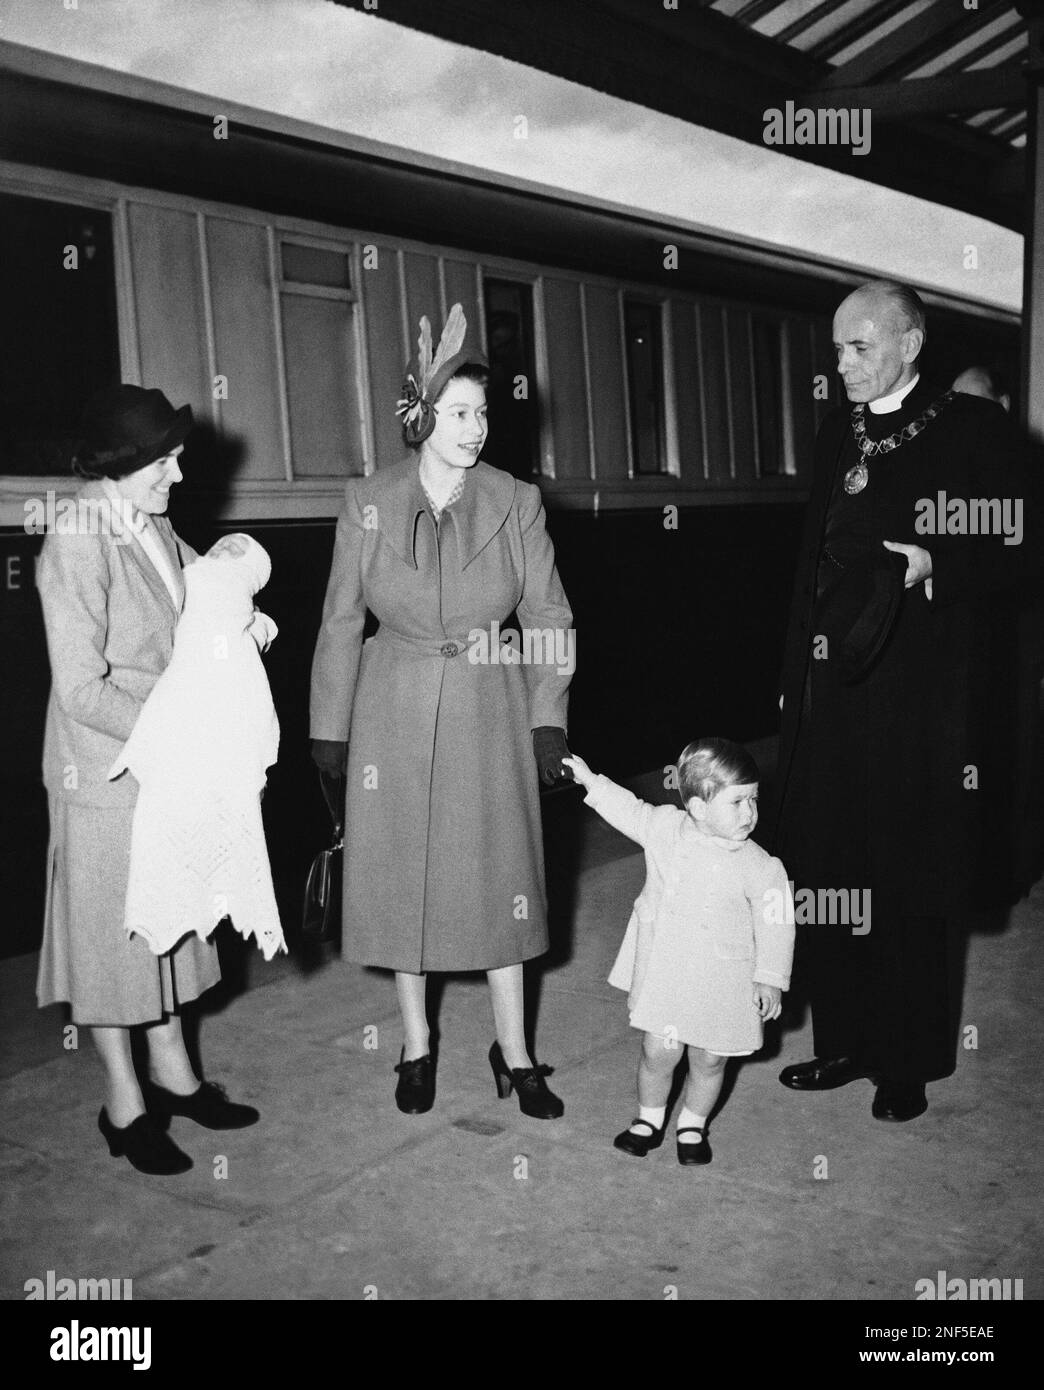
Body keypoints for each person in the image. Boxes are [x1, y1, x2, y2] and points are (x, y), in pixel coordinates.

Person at [769, 280, 1033, 1122]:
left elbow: (1020, 551)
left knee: (910, 872)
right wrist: (791, 674)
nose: (841, 365)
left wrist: (935, 568)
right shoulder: (833, 432)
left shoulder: (972, 433)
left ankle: (907, 1060)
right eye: (837, 348)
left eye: (860, 348)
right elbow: (810, 560)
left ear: (910, 345)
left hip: (922, 700)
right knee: (834, 866)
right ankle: (844, 1041)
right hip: (834, 689)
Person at [310, 304, 574, 1118]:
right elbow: (340, 621)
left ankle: (516, 1052)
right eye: (459, 413)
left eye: (483, 413)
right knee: (402, 883)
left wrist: (547, 718)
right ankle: (416, 1045)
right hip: (390, 707)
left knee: (501, 881)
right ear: (421, 418)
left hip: (490, 710)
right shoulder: (368, 500)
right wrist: (330, 729)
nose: (476, 428)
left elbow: (549, 619)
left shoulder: (517, 501)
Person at [36, 385, 259, 1176]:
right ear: (123, 466)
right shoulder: (76, 540)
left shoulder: (151, 520)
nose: (178, 472)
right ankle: (124, 1106)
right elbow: (81, 690)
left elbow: (206, 589)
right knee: (116, 943)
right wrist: (180, 728)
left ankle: (175, 1076)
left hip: (163, 764)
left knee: (171, 924)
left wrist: (243, 609)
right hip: (106, 770)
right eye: (164, 460)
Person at [564, 740, 794, 1164]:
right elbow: (628, 808)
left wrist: (770, 977)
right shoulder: (665, 829)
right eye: (738, 801)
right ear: (699, 807)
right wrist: (588, 779)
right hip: (667, 974)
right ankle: (648, 1119)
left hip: (723, 981)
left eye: (754, 800)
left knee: (709, 1059)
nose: (750, 813)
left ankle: (693, 1123)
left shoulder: (761, 865)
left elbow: (778, 923)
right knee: (659, 1052)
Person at [109, 532, 284, 962]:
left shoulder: (225, 580)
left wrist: (255, 624)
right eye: (223, 544)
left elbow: (230, 608)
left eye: (237, 550)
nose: (223, 551)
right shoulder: (185, 565)